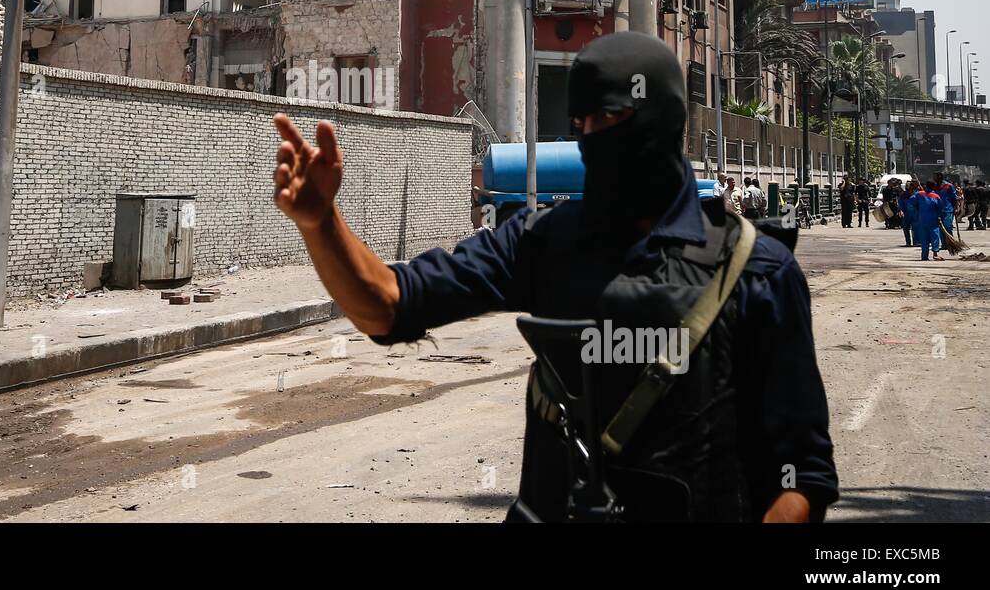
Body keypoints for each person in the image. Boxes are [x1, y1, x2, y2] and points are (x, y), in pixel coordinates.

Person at [271, 32, 838, 523]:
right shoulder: (543, 241)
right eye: (581, 121)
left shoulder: (756, 269)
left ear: (664, 117)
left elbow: (799, 475)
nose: (593, 133)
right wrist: (322, 224)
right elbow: (389, 307)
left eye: (611, 116)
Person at [914, 182, 946, 261]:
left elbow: (912, 202)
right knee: (935, 236)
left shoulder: (919, 194)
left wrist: (918, 209)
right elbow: (940, 208)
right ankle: (935, 254)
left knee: (924, 238)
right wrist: (940, 217)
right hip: (933, 220)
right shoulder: (936, 196)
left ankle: (924, 256)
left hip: (922, 219)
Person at [898, 180, 918, 247]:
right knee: (906, 229)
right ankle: (908, 242)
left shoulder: (917, 194)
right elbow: (900, 204)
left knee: (915, 229)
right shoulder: (903, 195)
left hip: (915, 214)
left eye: (908, 185)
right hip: (906, 214)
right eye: (906, 185)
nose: (907, 187)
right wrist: (900, 210)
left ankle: (915, 242)